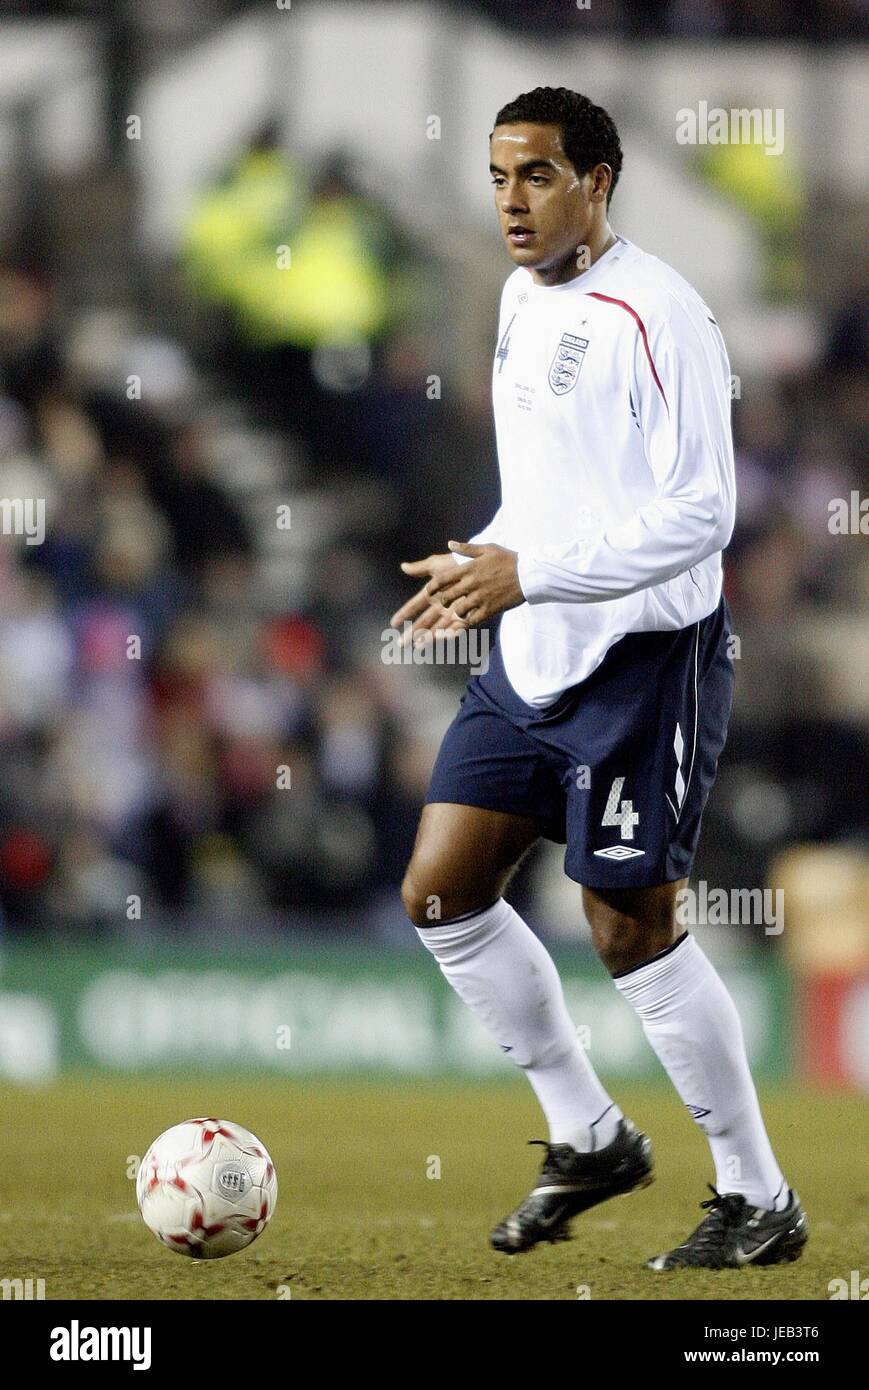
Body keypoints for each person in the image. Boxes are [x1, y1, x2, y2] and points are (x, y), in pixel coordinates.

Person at [392, 87, 807, 1271]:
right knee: (439, 891)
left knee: (629, 930)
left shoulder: (661, 315)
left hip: (643, 658)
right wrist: (485, 557)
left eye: (535, 176)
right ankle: (587, 1133)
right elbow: (546, 491)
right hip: (532, 648)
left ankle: (756, 1193)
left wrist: (536, 573)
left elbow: (702, 514)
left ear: (597, 182)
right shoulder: (519, 300)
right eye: (497, 178)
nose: (511, 203)